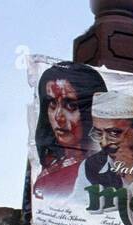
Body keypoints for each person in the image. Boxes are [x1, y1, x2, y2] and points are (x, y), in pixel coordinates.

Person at [31, 62, 107, 200]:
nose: (58, 117)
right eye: (52, 104)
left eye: (71, 105)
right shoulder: (49, 169)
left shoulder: (109, 170)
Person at [73, 91, 133, 195]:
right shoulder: (89, 166)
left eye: (114, 133)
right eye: (98, 133)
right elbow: (76, 205)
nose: (104, 143)